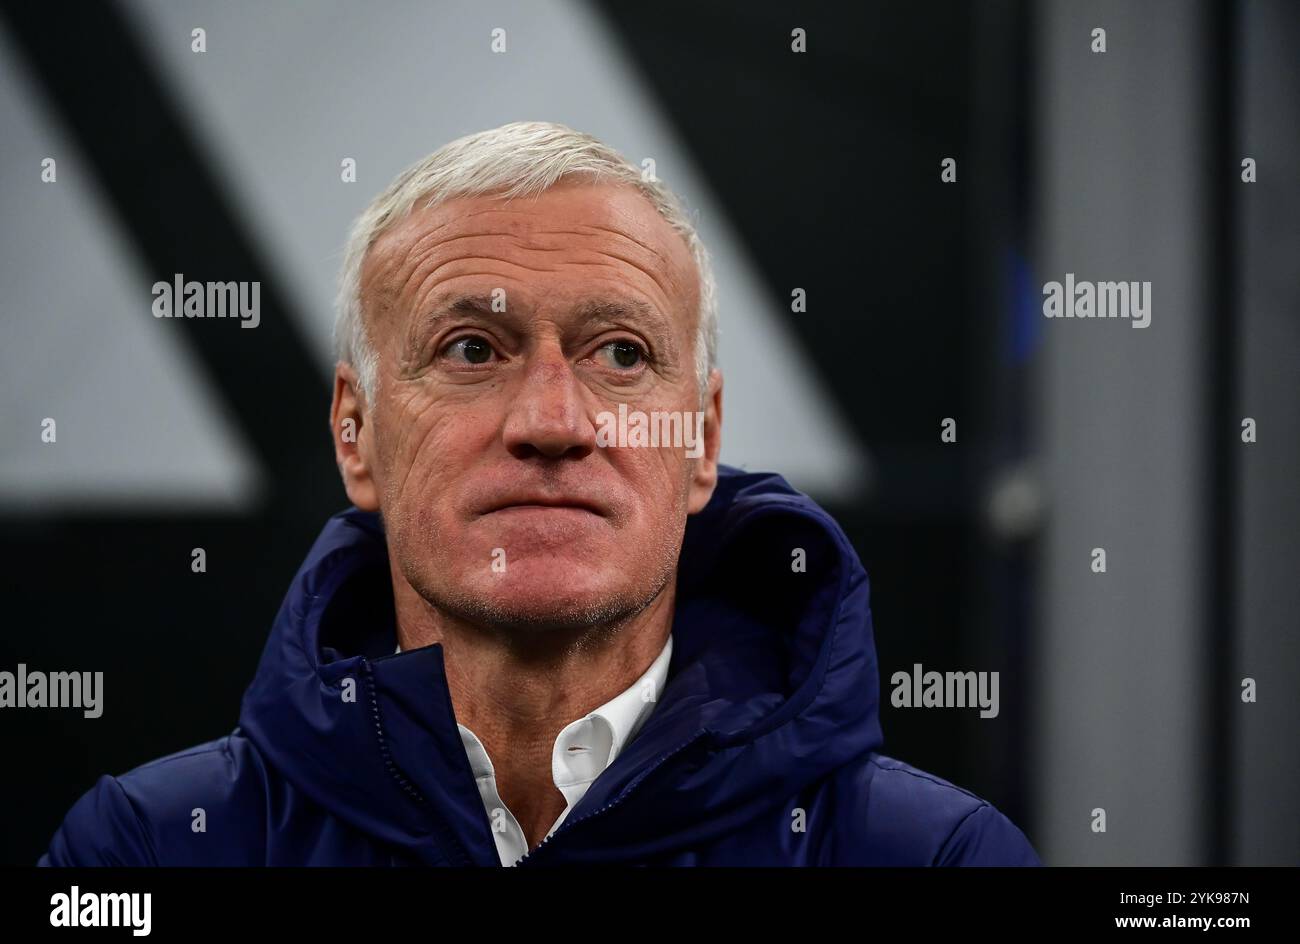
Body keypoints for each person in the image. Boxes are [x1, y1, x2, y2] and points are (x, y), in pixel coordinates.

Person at [39, 121, 1040, 866]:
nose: (553, 420)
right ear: (356, 433)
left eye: (619, 352)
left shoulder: (935, 857)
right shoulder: (146, 850)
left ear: (701, 440)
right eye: (471, 349)